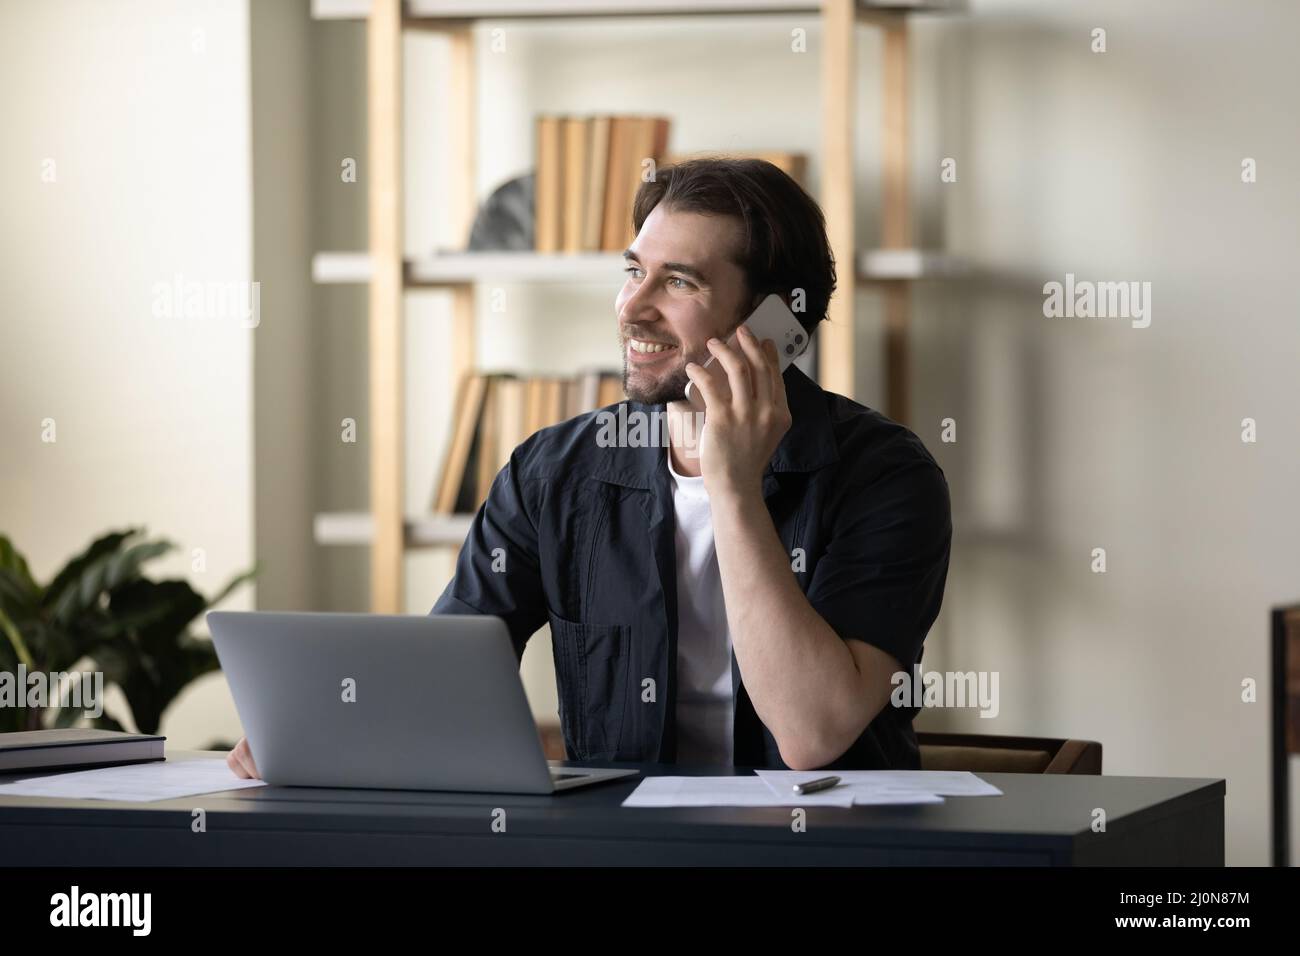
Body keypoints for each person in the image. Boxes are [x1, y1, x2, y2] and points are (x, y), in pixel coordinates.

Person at [228, 157, 950, 780]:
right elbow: (446, 677)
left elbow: (811, 733)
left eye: (679, 283)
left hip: (823, 852)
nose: (632, 308)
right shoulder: (554, 474)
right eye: (633, 271)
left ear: (773, 327)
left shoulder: (884, 478)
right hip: (618, 846)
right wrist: (324, 727)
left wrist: (732, 487)